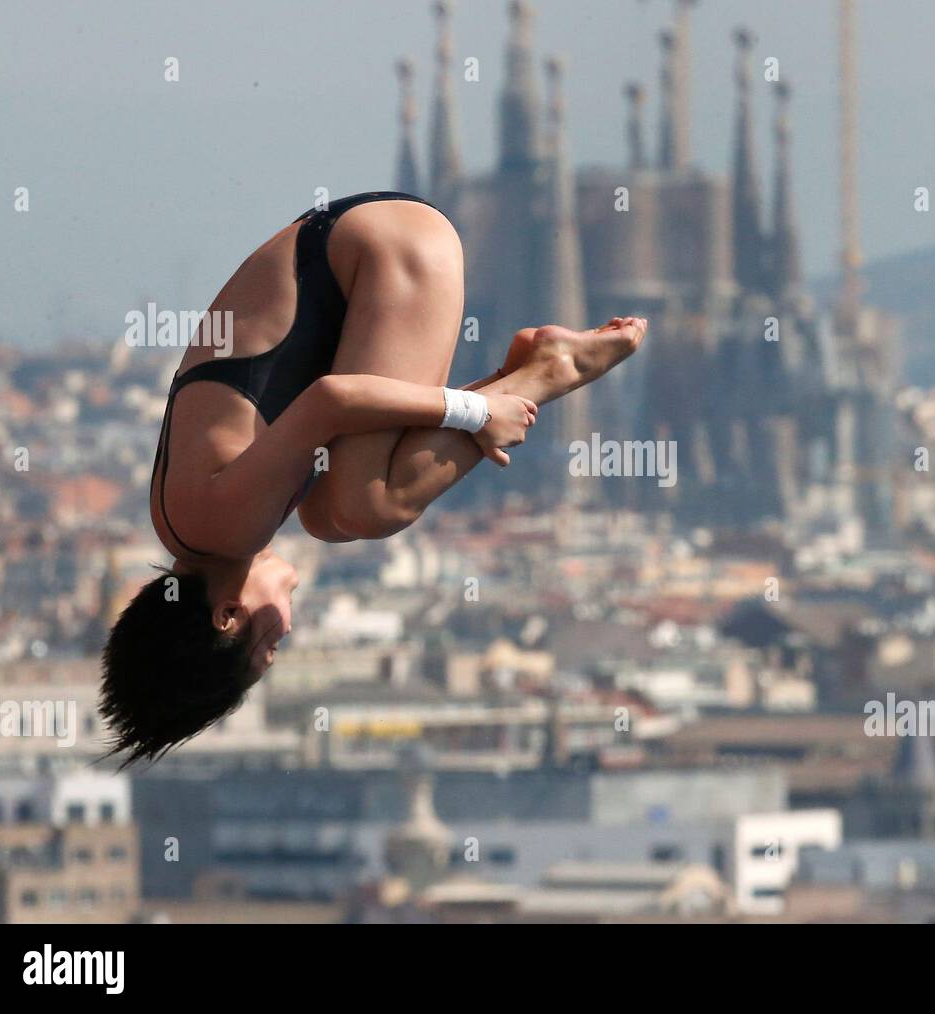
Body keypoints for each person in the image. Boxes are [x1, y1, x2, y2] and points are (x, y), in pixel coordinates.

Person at [100, 191, 647, 766]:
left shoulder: (226, 528)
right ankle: (522, 374)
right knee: (330, 515)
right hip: (368, 246)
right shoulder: (189, 528)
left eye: (270, 644)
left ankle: (548, 372)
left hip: (391, 251)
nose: (286, 630)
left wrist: (476, 414)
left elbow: (331, 400)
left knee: (368, 507)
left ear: (227, 617)